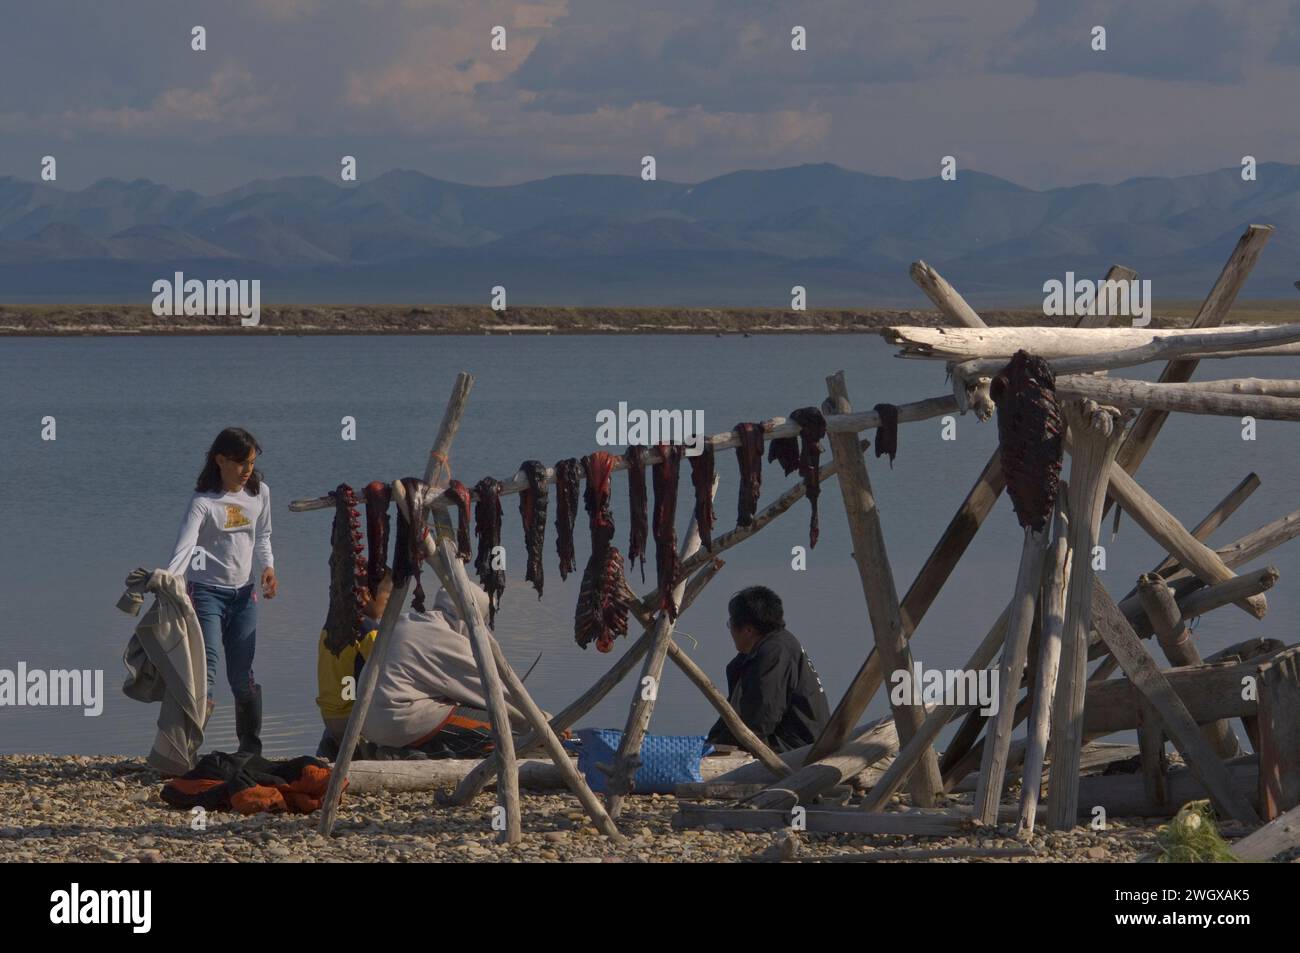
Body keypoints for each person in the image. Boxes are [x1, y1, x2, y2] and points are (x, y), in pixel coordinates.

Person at [166, 427, 276, 756]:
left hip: (244, 596)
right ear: (220, 460)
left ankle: (250, 750)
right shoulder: (203, 502)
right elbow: (184, 549)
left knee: (243, 676)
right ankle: (185, 750)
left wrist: (268, 567)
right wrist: (167, 581)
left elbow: (264, 535)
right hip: (206, 595)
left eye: (252, 463)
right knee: (206, 670)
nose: (247, 471)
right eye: (240, 463)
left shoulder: (260, 493)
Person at [361, 578, 531, 758]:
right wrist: (542, 725)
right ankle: (418, 755)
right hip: (397, 721)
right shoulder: (446, 639)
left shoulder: (409, 621)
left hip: (368, 724)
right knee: (497, 725)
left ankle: (394, 748)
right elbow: (494, 694)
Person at [706, 586, 829, 753]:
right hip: (789, 742)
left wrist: (717, 749)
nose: (730, 631)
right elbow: (738, 714)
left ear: (748, 630)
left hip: (796, 751)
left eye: (731, 623)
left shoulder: (774, 653)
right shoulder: (772, 646)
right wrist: (711, 743)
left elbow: (759, 720)